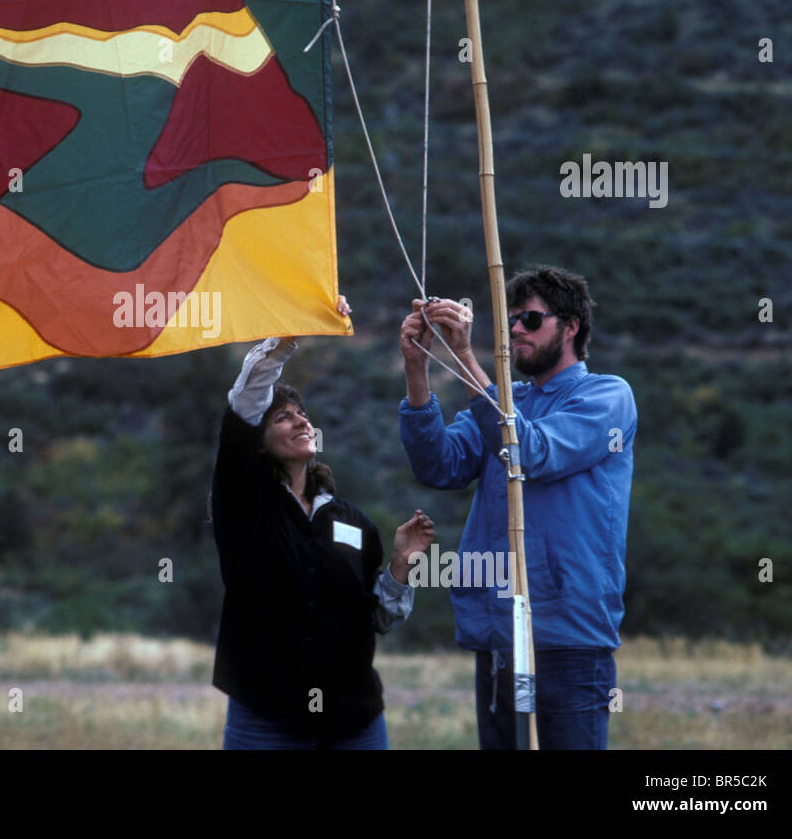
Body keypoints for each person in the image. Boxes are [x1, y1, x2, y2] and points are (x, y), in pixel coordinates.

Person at [397, 265, 637, 750]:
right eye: (510, 321)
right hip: (498, 636)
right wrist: (417, 368)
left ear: (570, 327)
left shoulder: (606, 395)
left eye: (530, 319)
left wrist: (464, 355)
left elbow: (530, 452)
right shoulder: (512, 400)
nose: (515, 331)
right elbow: (438, 465)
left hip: (567, 639)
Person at [211, 326, 435, 750]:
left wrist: (402, 566)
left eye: (302, 414)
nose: (301, 420)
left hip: (355, 719)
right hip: (266, 714)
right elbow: (243, 409)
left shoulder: (354, 521)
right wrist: (284, 341)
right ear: (259, 444)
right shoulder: (244, 504)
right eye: (283, 417)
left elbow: (380, 619)